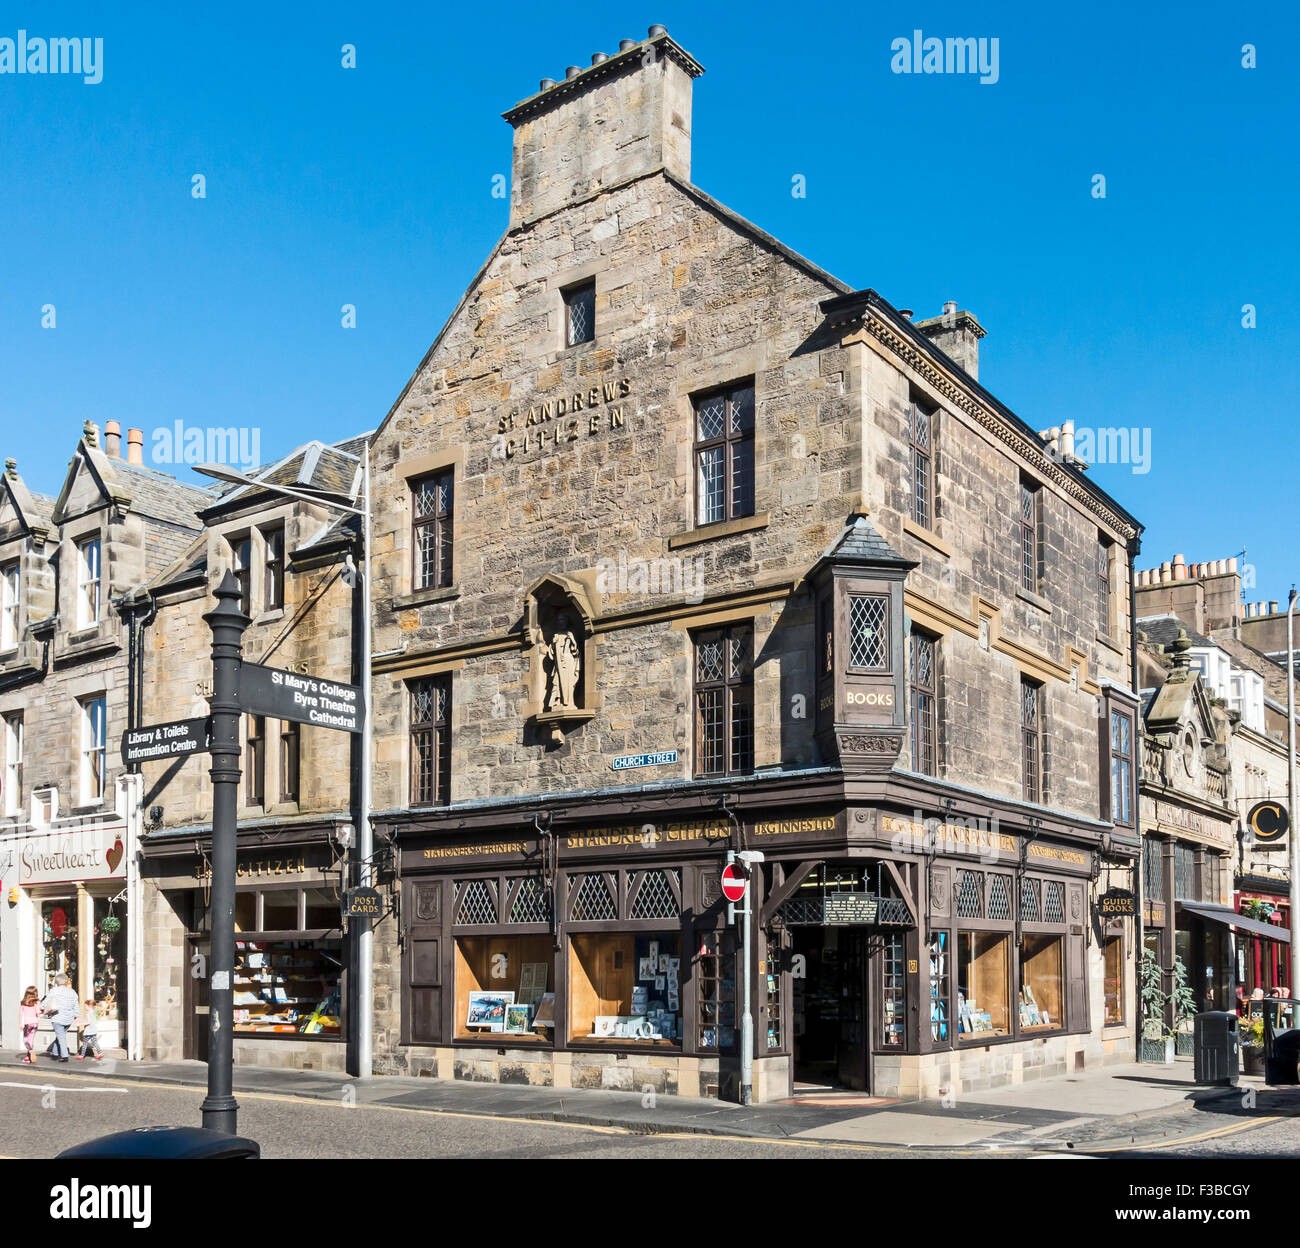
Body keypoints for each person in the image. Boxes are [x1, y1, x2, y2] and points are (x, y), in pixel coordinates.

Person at [39, 973, 79, 1062]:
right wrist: (77, 1016)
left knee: (61, 1037)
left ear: (57, 981)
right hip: (69, 1018)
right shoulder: (72, 992)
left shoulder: (54, 991)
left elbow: (46, 1002)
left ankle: (64, 1056)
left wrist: (41, 1008)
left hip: (58, 1017)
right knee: (61, 1035)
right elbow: (76, 1005)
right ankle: (55, 1053)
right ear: (66, 981)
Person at [18, 987, 39, 1063]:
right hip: (35, 1023)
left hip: (27, 1024)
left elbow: (20, 1014)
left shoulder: (23, 1003)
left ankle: (31, 1051)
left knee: (26, 1040)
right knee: (31, 1040)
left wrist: (20, 1024)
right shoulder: (36, 1002)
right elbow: (38, 1012)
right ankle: (28, 1057)